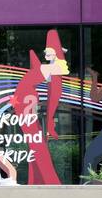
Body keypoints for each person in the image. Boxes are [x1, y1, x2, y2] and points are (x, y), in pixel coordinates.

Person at [9, 29, 67, 185]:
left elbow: (52, 98)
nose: (47, 54)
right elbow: (53, 99)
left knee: (37, 145)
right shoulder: (53, 70)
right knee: (39, 146)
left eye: (49, 52)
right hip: (24, 103)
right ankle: (52, 184)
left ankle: (36, 182)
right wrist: (50, 124)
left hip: (24, 102)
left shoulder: (50, 70)